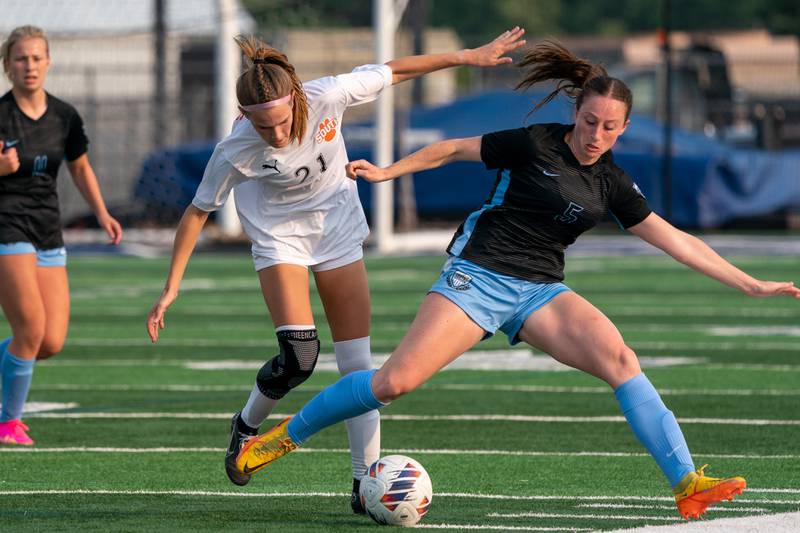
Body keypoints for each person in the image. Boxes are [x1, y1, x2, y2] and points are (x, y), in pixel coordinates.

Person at [233, 40, 800, 520]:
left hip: (540, 291)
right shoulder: (536, 143)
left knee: (621, 360)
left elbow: (676, 239)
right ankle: (280, 439)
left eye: (609, 127)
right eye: (589, 122)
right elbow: (451, 149)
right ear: (577, 113)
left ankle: (686, 483)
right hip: (476, 276)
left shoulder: (612, 182)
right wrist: (388, 171)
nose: (596, 134)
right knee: (394, 382)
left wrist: (749, 284)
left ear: (624, 128)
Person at [145, 29, 527, 513]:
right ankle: (245, 426)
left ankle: (363, 485)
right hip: (280, 238)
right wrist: (171, 288)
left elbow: (395, 71)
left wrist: (468, 55)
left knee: (358, 366)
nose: (276, 135)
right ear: (244, 116)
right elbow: (197, 212)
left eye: (281, 122)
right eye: (263, 127)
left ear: (296, 99)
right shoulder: (235, 148)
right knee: (299, 356)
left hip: (337, 230)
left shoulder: (327, 94)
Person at [0, 25, 123, 446]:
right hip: (7, 225)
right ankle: (8, 422)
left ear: (48, 62)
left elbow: (80, 167)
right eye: (21, 58)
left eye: (36, 57)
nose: (29, 65)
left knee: (49, 342)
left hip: (47, 229)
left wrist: (102, 213)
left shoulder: (64, 115)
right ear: (8, 65)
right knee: (30, 330)